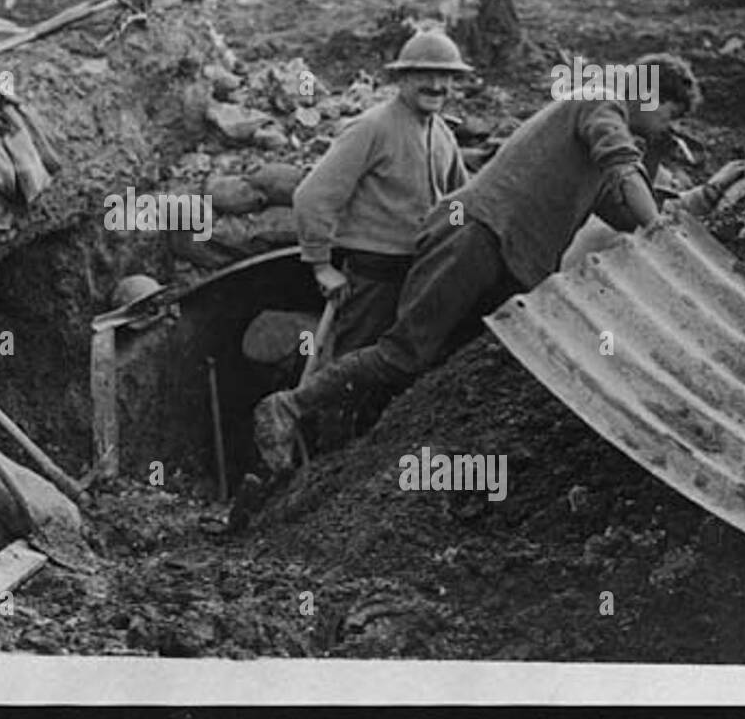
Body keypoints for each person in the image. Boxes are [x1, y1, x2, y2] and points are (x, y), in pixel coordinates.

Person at [253, 52, 704, 473]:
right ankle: (290, 407)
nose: (666, 128)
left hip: (505, 254)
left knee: (449, 365)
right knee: (404, 354)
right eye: (669, 116)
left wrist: (687, 203)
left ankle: (374, 463)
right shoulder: (599, 101)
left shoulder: (601, 137)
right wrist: (660, 228)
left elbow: (624, 206)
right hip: (476, 235)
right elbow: (623, 167)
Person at [293, 27, 472, 360]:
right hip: (373, 275)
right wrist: (320, 265)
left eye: (445, 76)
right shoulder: (372, 127)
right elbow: (313, 195)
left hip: (418, 271)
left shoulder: (443, 133)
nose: (436, 86)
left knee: (398, 366)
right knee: (354, 363)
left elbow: (461, 199)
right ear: (402, 79)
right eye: (425, 75)